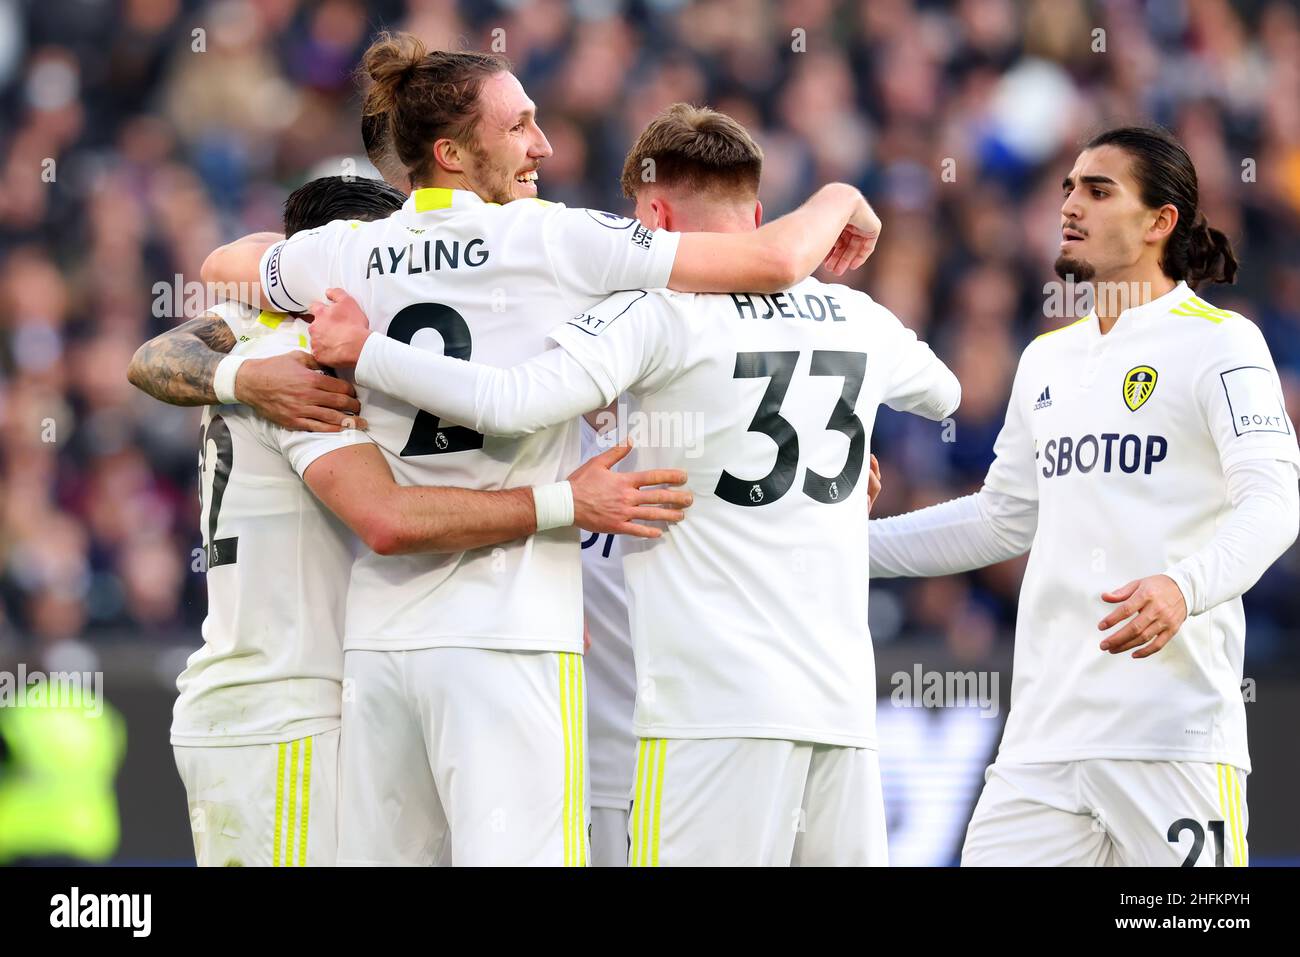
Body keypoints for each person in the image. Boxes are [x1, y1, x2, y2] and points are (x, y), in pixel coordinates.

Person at [198, 33, 881, 866]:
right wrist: (844, 191)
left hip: (380, 648)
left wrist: (275, 317)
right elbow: (774, 259)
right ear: (451, 151)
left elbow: (221, 264)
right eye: (520, 126)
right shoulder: (553, 239)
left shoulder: (345, 251)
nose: (544, 145)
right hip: (509, 630)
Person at [307, 103, 957, 866]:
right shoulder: (856, 314)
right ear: (755, 210)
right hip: (842, 712)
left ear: (652, 213)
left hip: (705, 716)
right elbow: (943, 393)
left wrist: (369, 351)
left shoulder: (652, 316)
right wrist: (836, 444)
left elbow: (507, 401)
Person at [128, 176, 690, 866]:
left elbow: (155, 353)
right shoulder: (302, 365)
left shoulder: (254, 340)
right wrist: (563, 505)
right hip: (287, 714)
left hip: (270, 701)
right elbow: (387, 517)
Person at [867, 126, 1300, 866]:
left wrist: (1183, 586)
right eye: (1069, 187)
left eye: (1099, 191)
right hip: (1041, 747)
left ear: (1161, 221)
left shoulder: (1223, 343)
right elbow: (1001, 517)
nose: (1071, 203)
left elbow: (1274, 501)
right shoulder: (1046, 358)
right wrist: (847, 549)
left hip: (1171, 740)